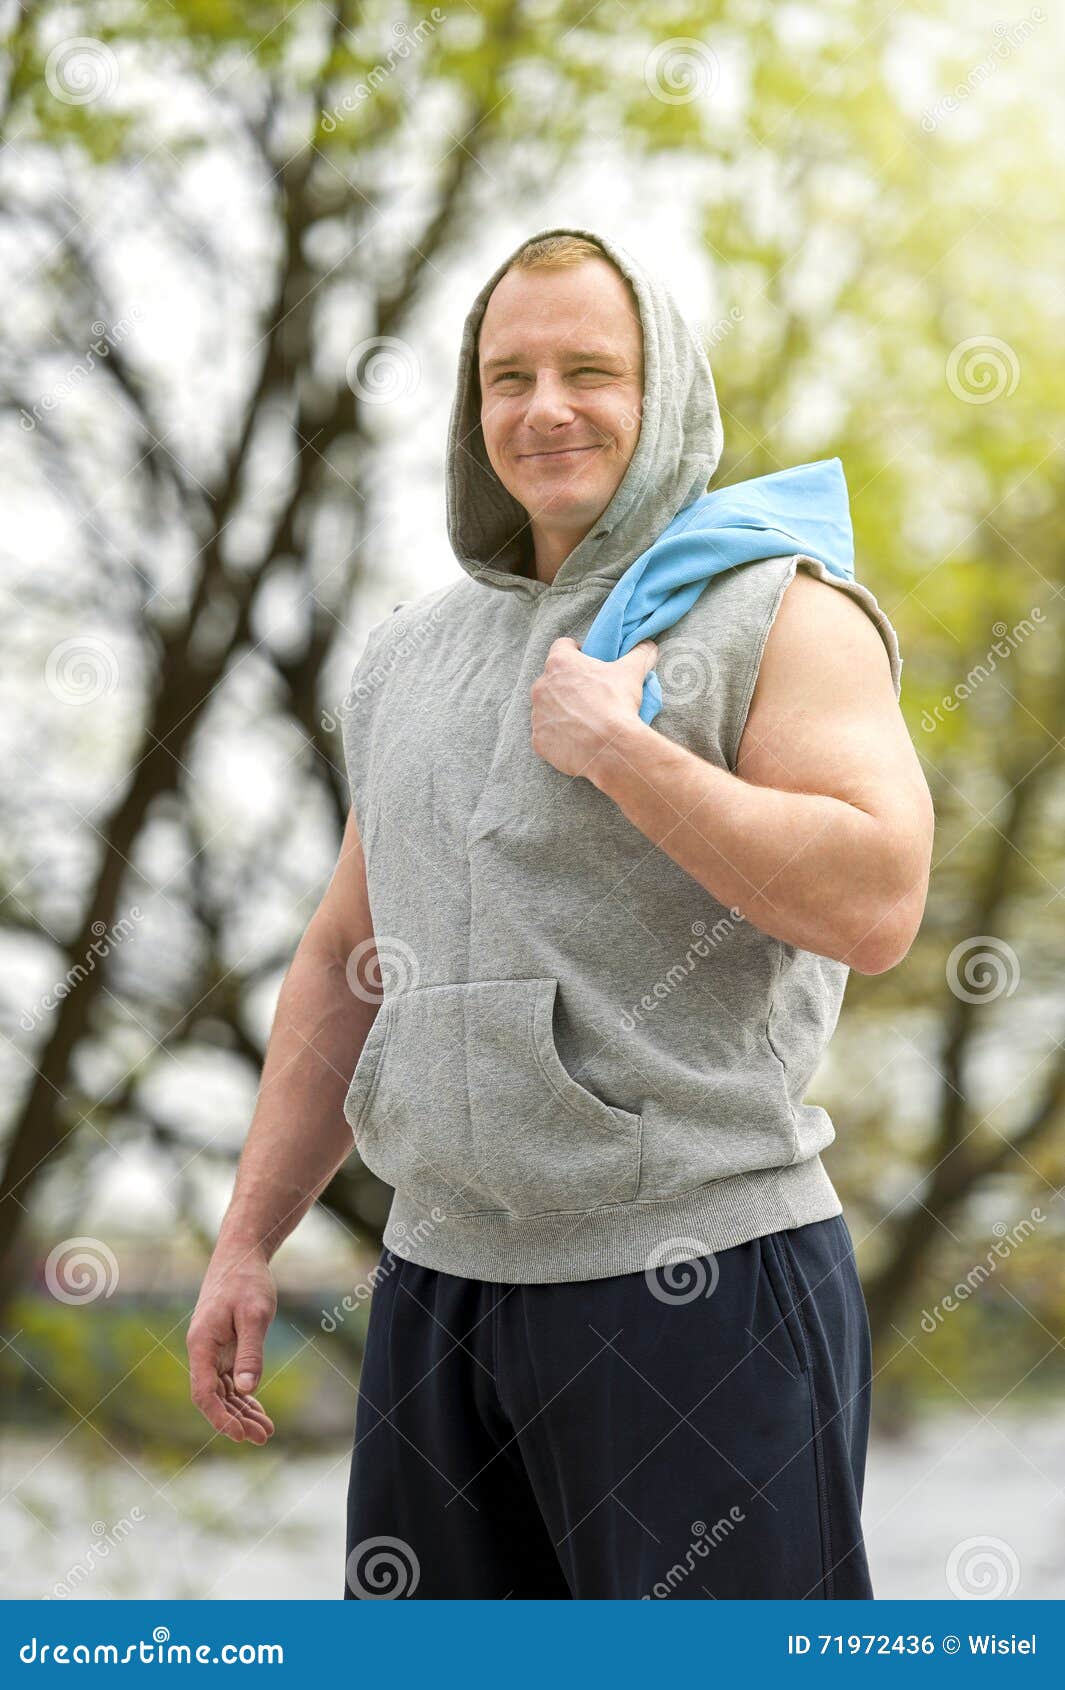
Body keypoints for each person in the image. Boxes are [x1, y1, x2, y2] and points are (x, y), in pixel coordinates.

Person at [187, 228, 934, 1600]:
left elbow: (879, 900)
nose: (545, 409)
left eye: (590, 371)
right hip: (437, 1287)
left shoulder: (777, 609)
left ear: (665, 391)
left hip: (699, 1277)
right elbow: (348, 957)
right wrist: (247, 1238)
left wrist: (628, 755)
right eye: (508, 376)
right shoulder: (407, 654)